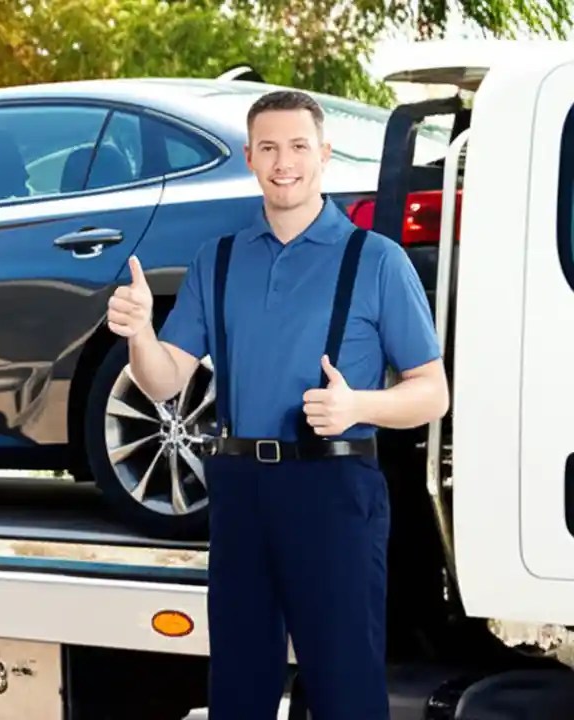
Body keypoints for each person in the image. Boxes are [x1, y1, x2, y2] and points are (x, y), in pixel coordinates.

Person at [106, 90, 450, 718]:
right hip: (239, 490)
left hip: (333, 489)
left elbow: (433, 391)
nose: (283, 162)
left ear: (324, 153)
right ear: (250, 157)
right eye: (268, 147)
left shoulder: (376, 261)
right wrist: (140, 334)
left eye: (297, 146)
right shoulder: (218, 260)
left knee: (345, 690)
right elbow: (162, 382)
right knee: (238, 691)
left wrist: (358, 407)